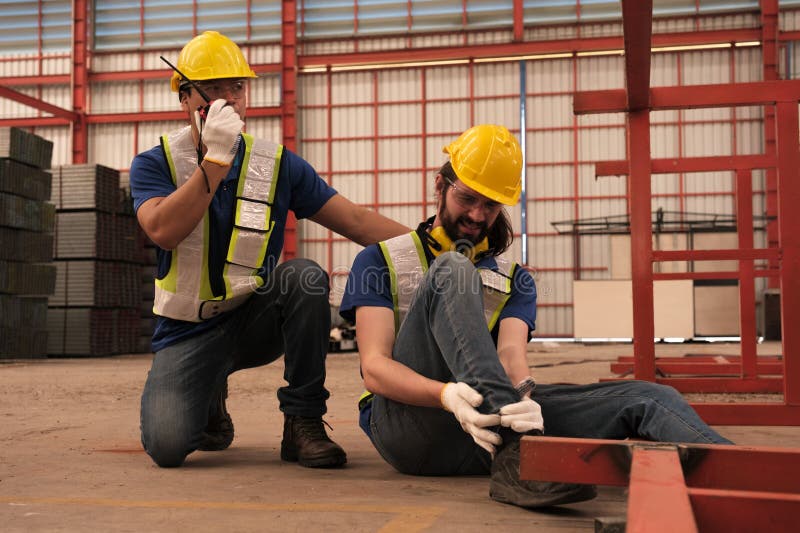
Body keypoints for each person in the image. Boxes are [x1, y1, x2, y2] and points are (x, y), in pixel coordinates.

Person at [339, 124, 732, 508]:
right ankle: (519, 455)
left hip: (484, 431)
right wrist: (445, 395)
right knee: (453, 269)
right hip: (412, 428)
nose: (477, 214)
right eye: (467, 198)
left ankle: (753, 471)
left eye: (491, 205)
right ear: (440, 187)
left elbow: (511, 357)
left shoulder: (515, 281)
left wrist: (522, 396)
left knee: (647, 398)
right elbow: (374, 368)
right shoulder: (381, 260)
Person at [129, 31, 409, 469]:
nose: (230, 99)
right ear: (186, 99)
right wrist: (215, 162)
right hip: (187, 331)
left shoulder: (276, 164)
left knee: (306, 277)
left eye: (237, 87)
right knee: (167, 446)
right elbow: (162, 230)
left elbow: (355, 221)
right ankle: (209, 397)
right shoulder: (155, 163)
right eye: (215, 88)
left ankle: (303, 421)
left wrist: (437, 248)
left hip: (253, 319)